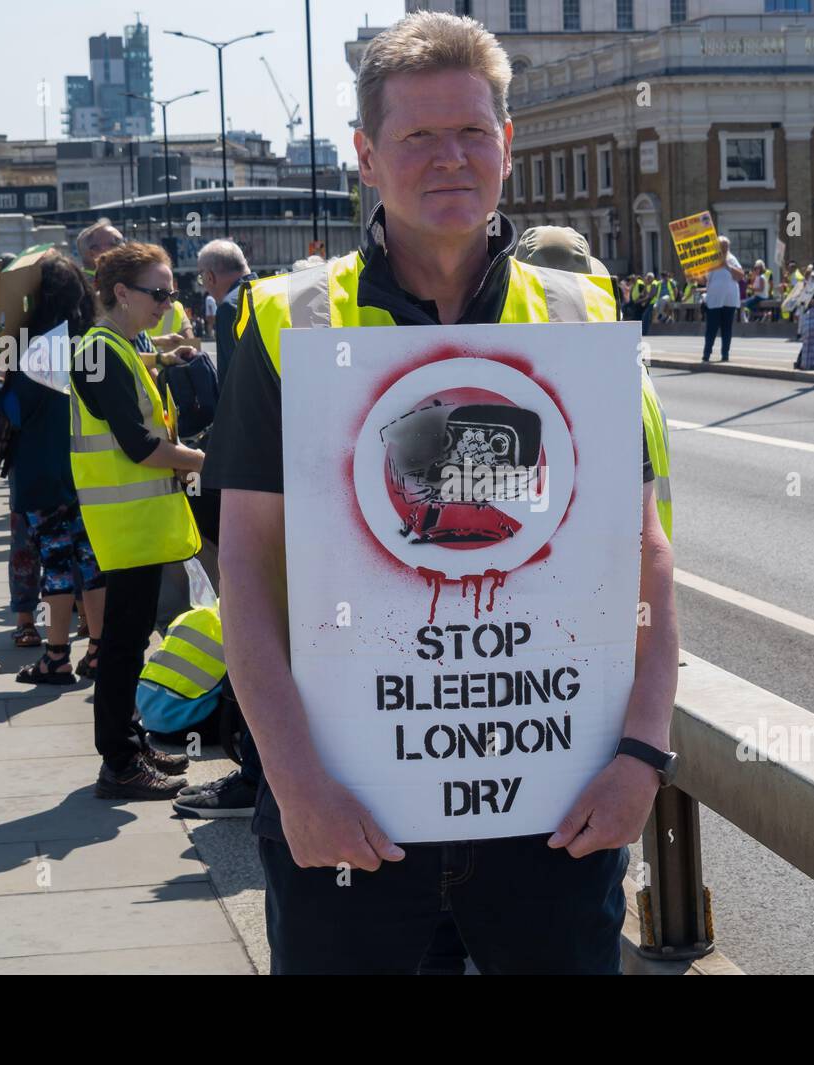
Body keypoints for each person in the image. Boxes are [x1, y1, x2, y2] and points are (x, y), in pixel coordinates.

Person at [203, 9, 677, 975]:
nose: (448, 157)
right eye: (416, 136)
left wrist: (643, 758)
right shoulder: (287, 319)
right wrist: (295, 786)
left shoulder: (582, 316)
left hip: (553, 814)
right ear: (367, 158)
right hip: (349, 812)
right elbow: (244, 568)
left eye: (470, 132)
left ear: (507, 144)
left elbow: (645, 556)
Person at [69, 241, 206, 799]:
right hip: (126, 527)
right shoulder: (101, 349)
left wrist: (164, 357)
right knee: (122, 646)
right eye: (159, 293)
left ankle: (131, 742)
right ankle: (120, 764)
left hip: (138, 524)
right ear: (121, 293)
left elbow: (132, 370)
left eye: (172, 292)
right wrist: (206, 461)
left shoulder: (118, 344)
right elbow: (141, 445)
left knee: (130, 643)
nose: (167, 303)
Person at [0, 253, 106, 684]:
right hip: (85, 469)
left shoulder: (35, 346)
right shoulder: (90, 339)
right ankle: (98, 650)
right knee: (90, 560)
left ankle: (56, 656)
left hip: (41, 470)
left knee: (54, 559)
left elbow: (17, 412)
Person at [196, 240, 257, 386]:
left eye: (201, 278)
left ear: (210, 277)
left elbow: (233, 378)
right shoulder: (270, 291)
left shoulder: (228, 308)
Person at [702, 236, 742, 362]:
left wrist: (727, 266)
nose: (724, 248)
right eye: (722, 246)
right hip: (714, 300)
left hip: (729, 301)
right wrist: (693, 277)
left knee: (727, 328)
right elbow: (703, 279)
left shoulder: (732, 259)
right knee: (711, 329)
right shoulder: (710, 260)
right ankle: (707, 354)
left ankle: (725, 354)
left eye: (726, 246)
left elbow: (740, 276)